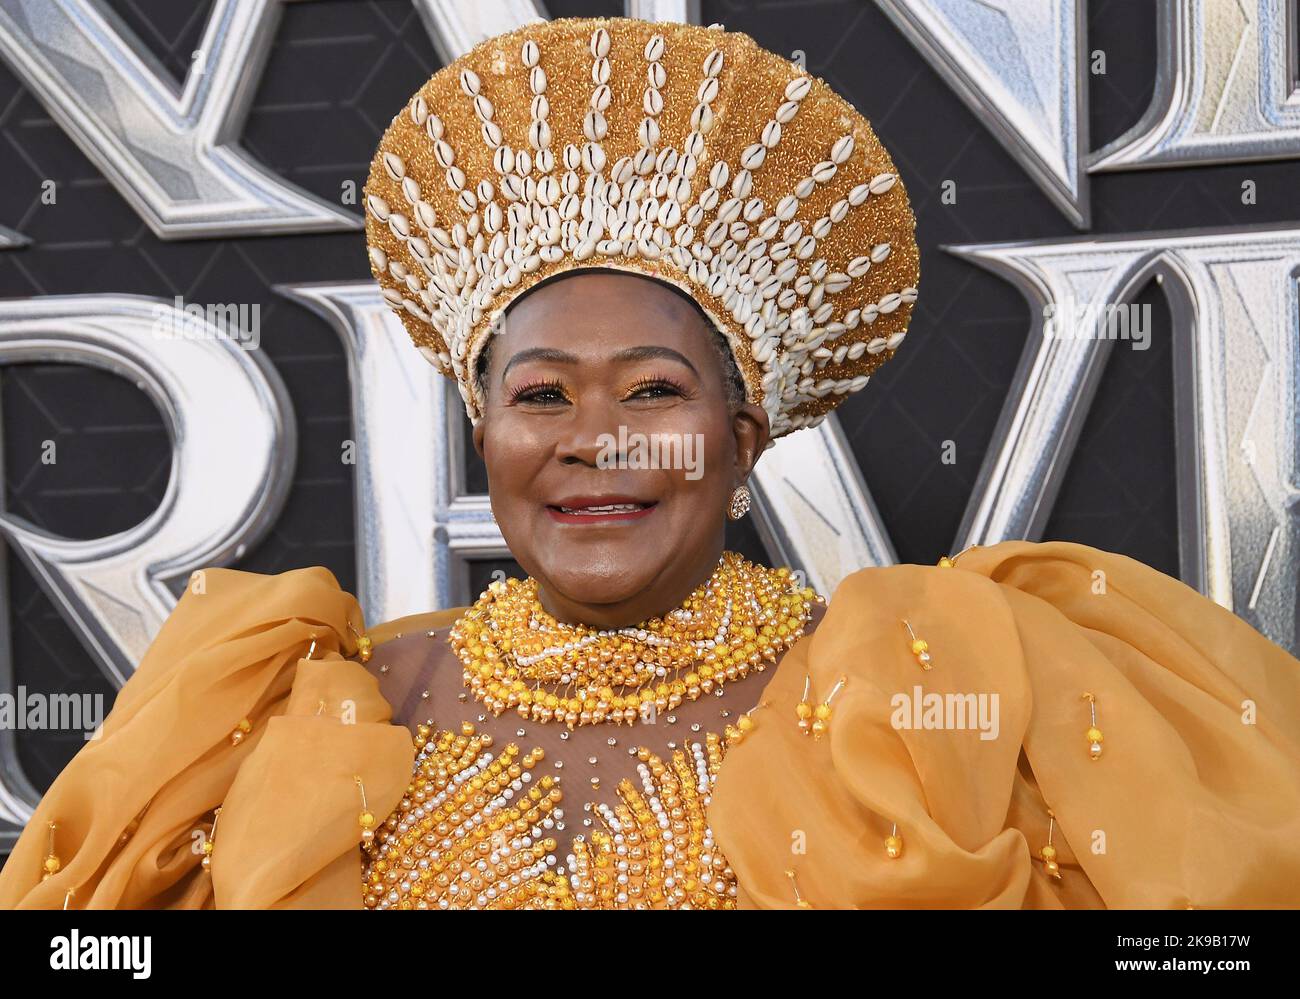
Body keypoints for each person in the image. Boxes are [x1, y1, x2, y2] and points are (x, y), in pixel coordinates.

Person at [2, 16, 1297, 910]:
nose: (593, 439)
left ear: (744, 438)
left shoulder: (931, 688)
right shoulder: (313, 701)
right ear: (486, 433)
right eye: (542, 393)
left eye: (656, 390)